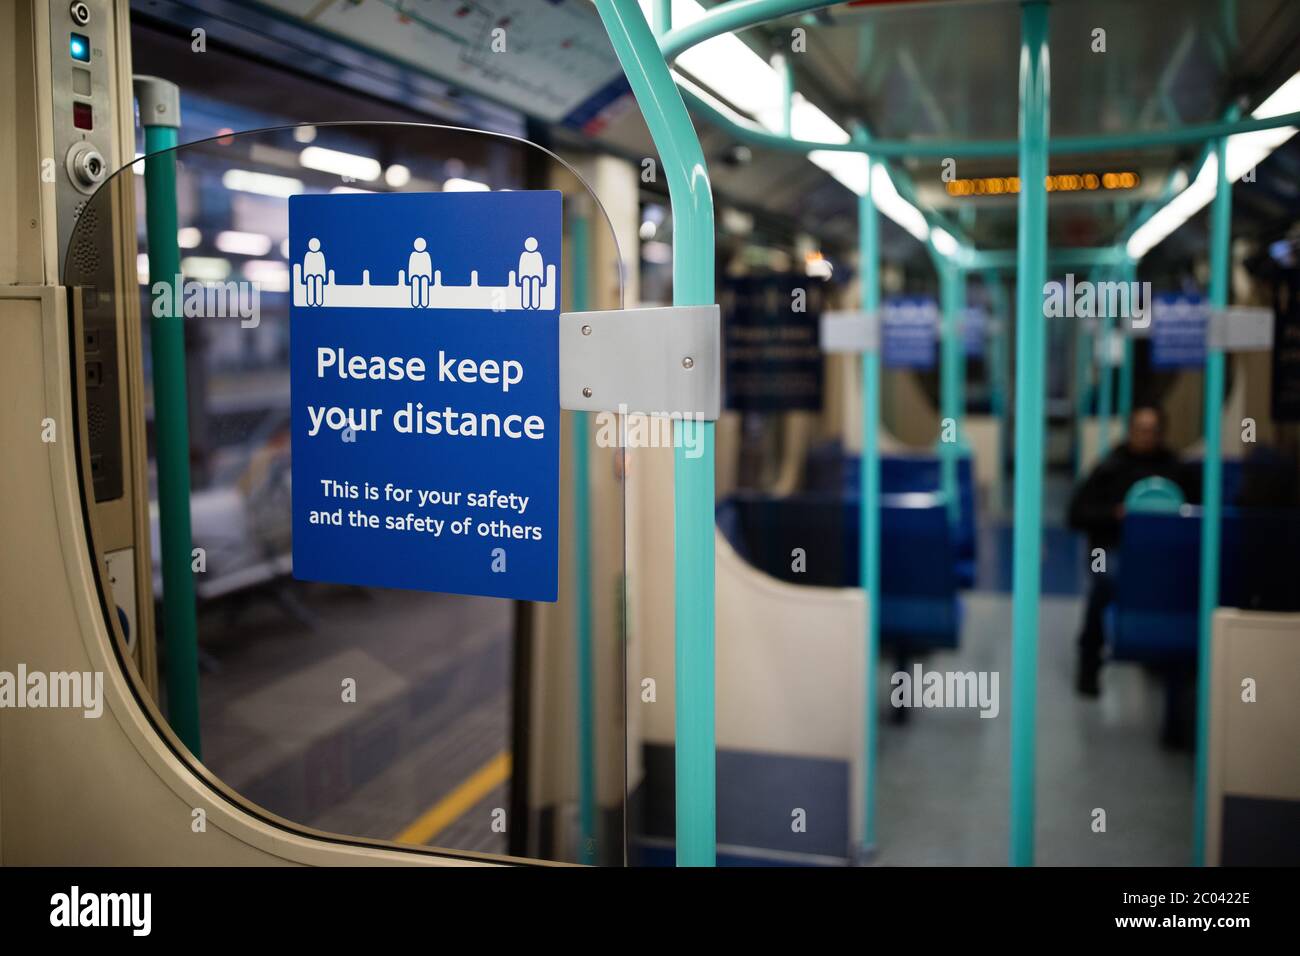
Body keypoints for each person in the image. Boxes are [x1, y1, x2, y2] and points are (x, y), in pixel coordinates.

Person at [1067, 404, 1188, 697]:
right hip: (1107, 550)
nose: (1147, 436)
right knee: (1103, 584)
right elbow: (1075, 515)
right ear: (1131, 431)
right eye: (1141, 430)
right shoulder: (1109, 467)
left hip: (1164, 555)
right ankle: (1089, 664)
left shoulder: (1176, 468)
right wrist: (1115, 514)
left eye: (1153, 430)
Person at [517, 236, 544, 310]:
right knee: (526, 285)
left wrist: (540, 278)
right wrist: (520, 278)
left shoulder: (537, 255)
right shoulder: (524, 255)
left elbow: (540, 266)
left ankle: (535, 303)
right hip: (525, 276)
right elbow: (521, 266)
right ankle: (525, 303)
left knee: (535, 285)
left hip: (536, 276)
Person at [408, 238, 432, 308]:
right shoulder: (413, 255)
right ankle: (415, 302)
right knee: (415, 284)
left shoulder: (426, 255)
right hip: (414, 276)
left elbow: (428, 266)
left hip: (425, 276)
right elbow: (411, 266)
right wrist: (410, 277)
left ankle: (424, 302)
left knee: (424, 284)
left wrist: (429, 277)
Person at [303, 238, 326, 306]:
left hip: (319, 275)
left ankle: (319, 300)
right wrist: (305, 277)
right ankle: (310, 301)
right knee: (310, 284)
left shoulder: (320, 254)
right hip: (309, 275)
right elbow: (306, 265)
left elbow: (322, 265)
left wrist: (323, 276)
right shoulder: (308, 254)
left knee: (319, 284)